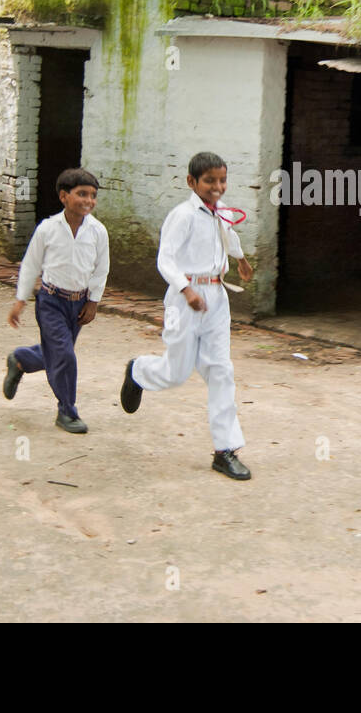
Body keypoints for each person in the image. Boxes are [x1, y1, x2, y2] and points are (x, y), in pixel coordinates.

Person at [119, 152, 255, 480]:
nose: (217, 187)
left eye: (222, 180)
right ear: (192, 182)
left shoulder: (220, 211)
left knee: (221, 370)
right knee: (176, 372)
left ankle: (226, 450)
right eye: (210, 181)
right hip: (183, 300)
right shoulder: (181, 215)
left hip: (216, 297)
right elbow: (165, 260)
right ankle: (139, 371)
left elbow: (228, 236)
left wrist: (240, 258)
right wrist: (186, 289)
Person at [3, 168, 111, 434]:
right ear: (64, 196)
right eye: (81, 194)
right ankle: (67, 411)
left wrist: (93, 301)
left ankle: (21, 360)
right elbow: (30, 265)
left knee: (55, 353)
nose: (88, 200)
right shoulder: (48, 229)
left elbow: (101, 269)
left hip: (79, 304)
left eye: (93, 195)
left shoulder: (98, 231)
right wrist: (21, 300)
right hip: (51, 301)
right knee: (64, 355)